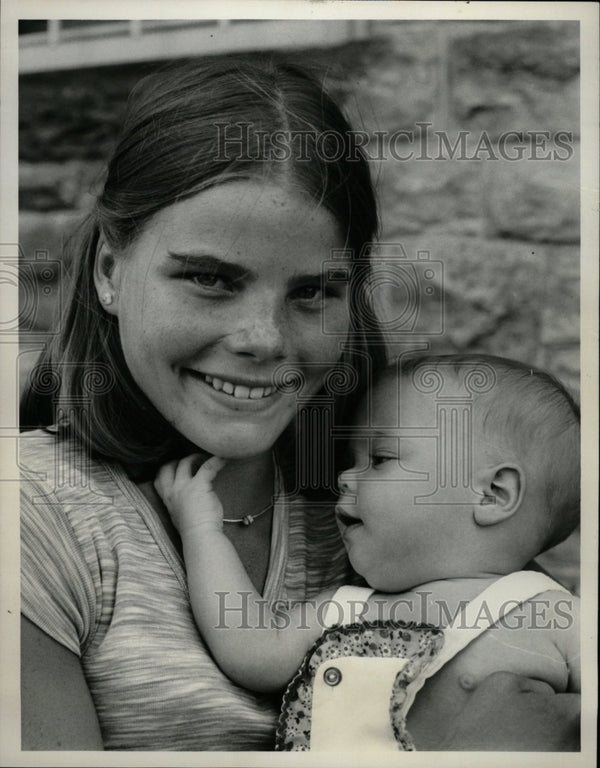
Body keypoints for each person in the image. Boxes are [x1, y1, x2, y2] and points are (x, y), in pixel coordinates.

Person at [19, 54, 580, 752]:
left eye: (313, 291)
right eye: (209, 279)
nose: (264, 339)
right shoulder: (35, 513)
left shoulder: (397, 502)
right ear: (110, 270)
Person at [155, 353, 581, 751]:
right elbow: (249, 648)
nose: (344, 476)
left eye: (378, 458)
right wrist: (201, 530)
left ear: (492, 494)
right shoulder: (347, 610)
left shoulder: (555, 615)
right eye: (351, 458)